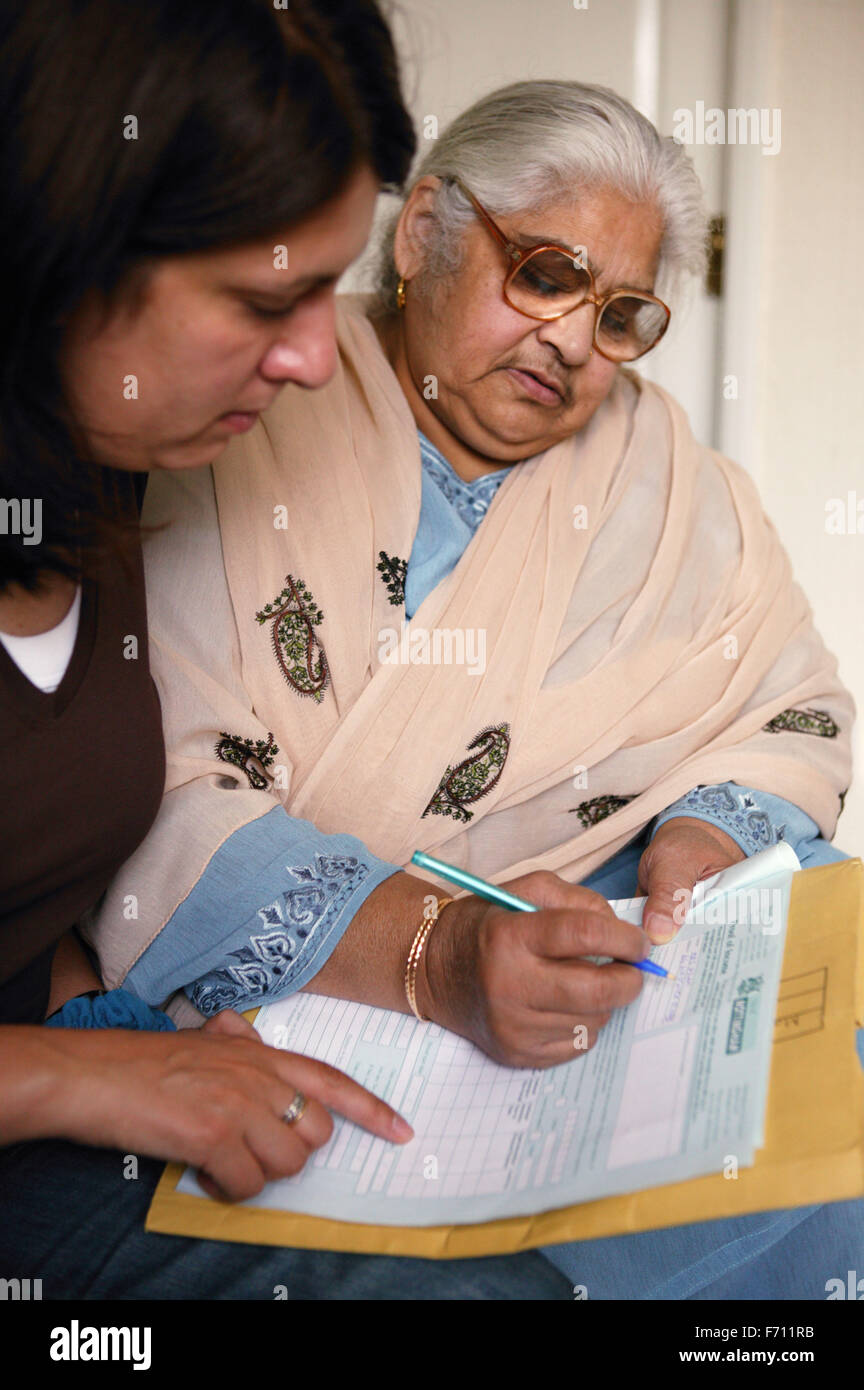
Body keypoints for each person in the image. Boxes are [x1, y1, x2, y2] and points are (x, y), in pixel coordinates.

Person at [86, 79, 862, 1297]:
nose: (570, 340)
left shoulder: (672, 481)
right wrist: (444, 952)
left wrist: (708, 833)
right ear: (426, 229)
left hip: (597, 951)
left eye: (621, 315)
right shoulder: (249, 397)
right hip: (334, 980)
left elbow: (791, 702)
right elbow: (155, 782)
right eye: (546, 274)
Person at [0, 2, 572, 1301]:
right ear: (57, 247)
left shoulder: (110, 475)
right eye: (269, 297)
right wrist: (85, 1072)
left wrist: (159, 1025)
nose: (320, 356)